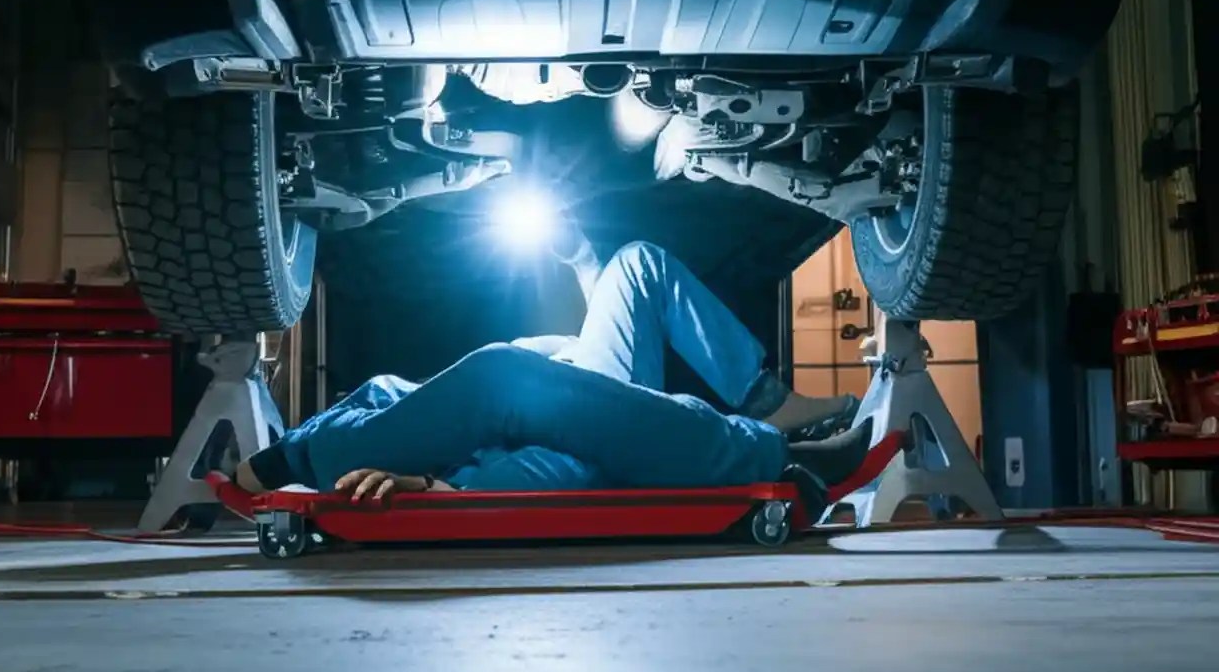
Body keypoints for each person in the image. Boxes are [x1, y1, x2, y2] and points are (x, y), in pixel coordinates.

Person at [235, 234, 873, 521]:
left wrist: (579, 261)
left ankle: (766, 410)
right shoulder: (339, 437)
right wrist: (429, 486)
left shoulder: (388, 403)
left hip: (532, 402)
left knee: (634, 265)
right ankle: (769, 453)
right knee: (516, 390)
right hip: (453, 440)